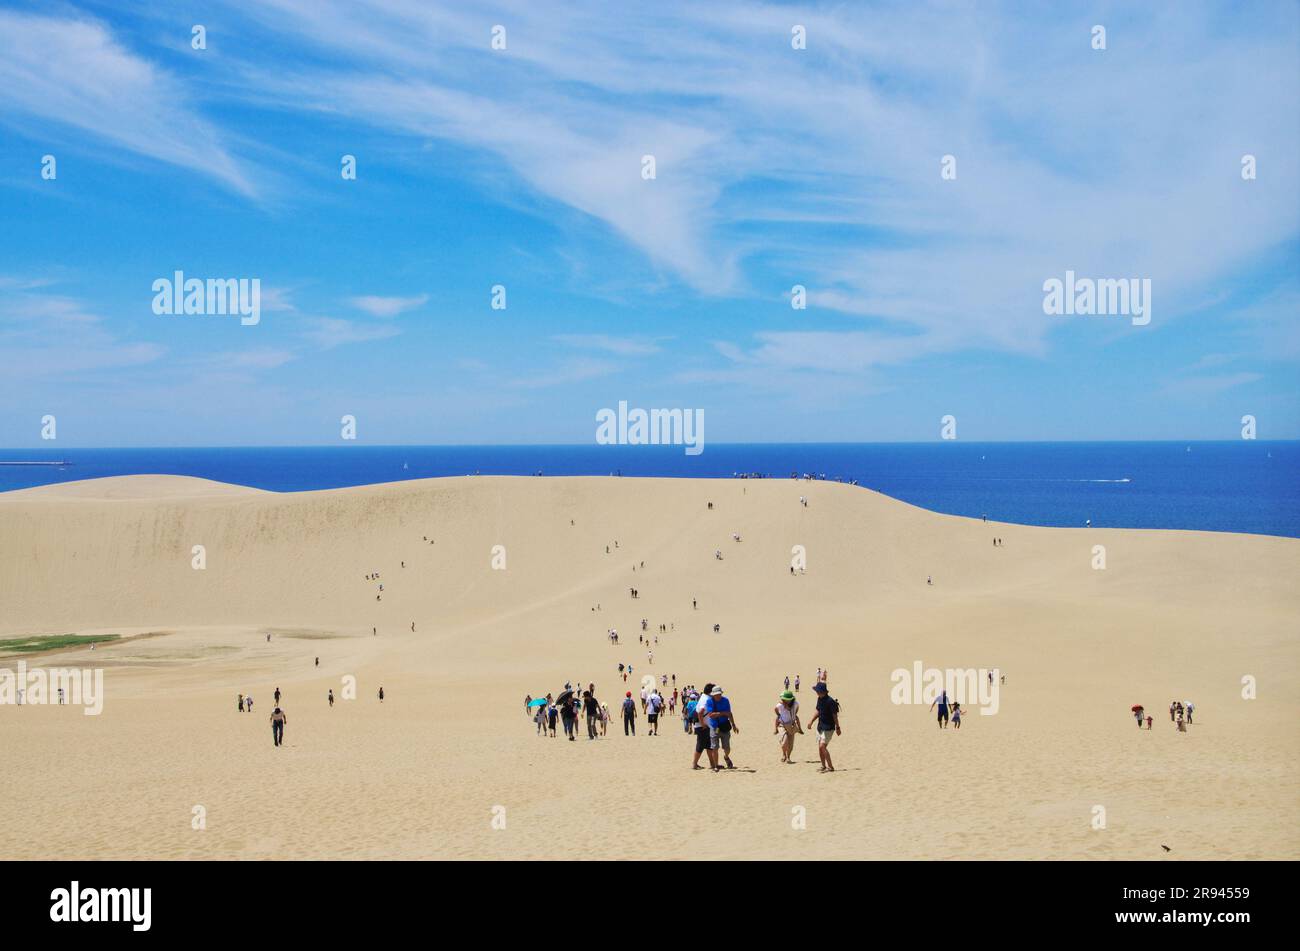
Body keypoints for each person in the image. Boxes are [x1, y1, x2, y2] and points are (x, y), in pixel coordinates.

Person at [704, 685, 738, 770]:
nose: (718, 696)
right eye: (716, 694)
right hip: (714, 727)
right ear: (713, 695)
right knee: (715, 747)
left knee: (727, 748)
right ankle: (716, 766)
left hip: (724, 726)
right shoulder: (709, 701)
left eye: (719, 694)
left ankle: (726, 757)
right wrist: (723, 713)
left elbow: (729, 713)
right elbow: (711, 715)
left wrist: (734, 725)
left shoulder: (725, 700)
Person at [812, 682, 840, 772]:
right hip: (820, 726)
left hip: (828, 727)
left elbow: (834, 715)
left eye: (817, 691)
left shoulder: (830, 701)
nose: (816, 692)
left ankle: (830, 767)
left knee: (822, 746)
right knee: (820, 748)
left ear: (822, 691)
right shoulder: (819, 699)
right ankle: (823, 766)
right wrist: (811, 721)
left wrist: (838, 727)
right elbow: (818, 711)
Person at [774, 690, 801, 763]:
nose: (783, 700)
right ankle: (784, 754)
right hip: (782, 724)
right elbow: (775, 709)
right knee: (784, 742)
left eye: (785, 699)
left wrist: (793, 715)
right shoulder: (780, 705)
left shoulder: (795, 704)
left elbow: (796, 710)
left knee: (791, 743)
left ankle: (788, 757)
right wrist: (779, 715)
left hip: (791, 725)